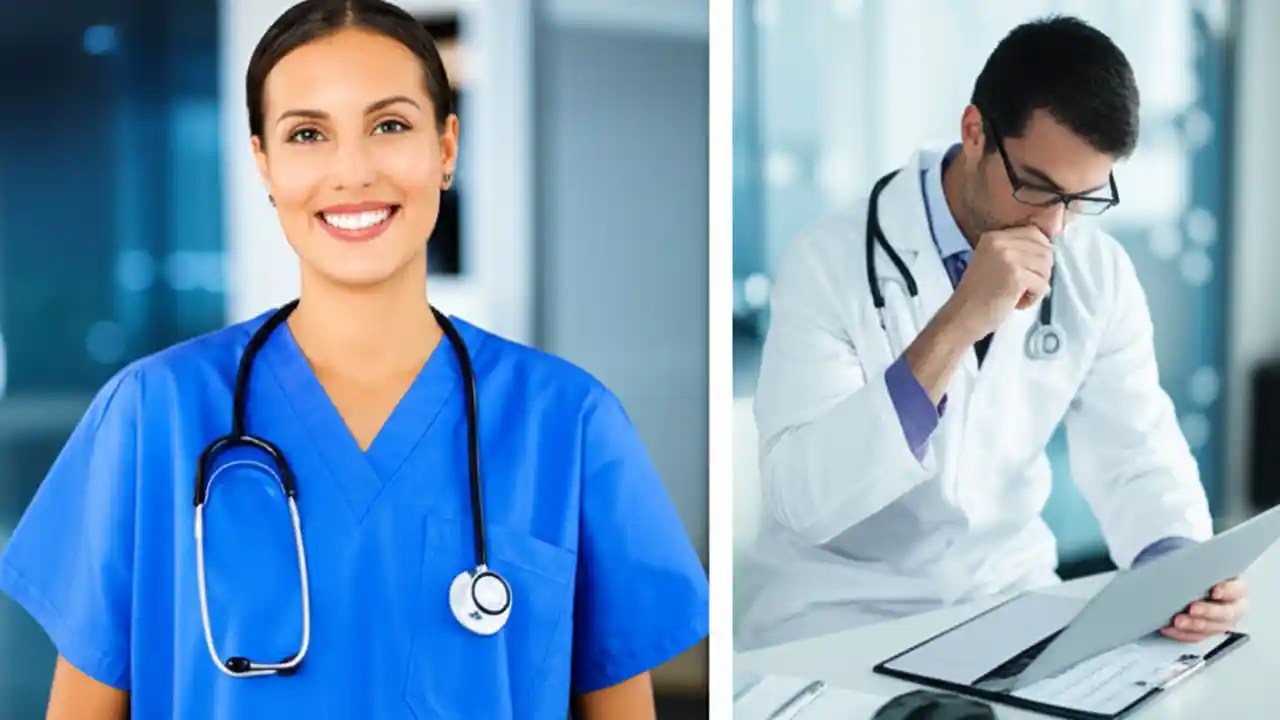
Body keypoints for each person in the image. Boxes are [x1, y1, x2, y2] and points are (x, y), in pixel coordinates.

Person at [0, 1, 708, 717]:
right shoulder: (155, 415)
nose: (352, 171)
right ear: (264, 164)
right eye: (307, 134)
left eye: (390, 125)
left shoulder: (568, 423)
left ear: (446, 147)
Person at [738, 16, 1248, 650]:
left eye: (1082, 198)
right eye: (1037, 187)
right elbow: (802, 497)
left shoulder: (1097, 270)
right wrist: (960, 320)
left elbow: (1137, 451)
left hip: (1007, 598)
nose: (1055, 226)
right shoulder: (827, 261)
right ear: (974, 131)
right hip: (839, 614)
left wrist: (1177, 570)